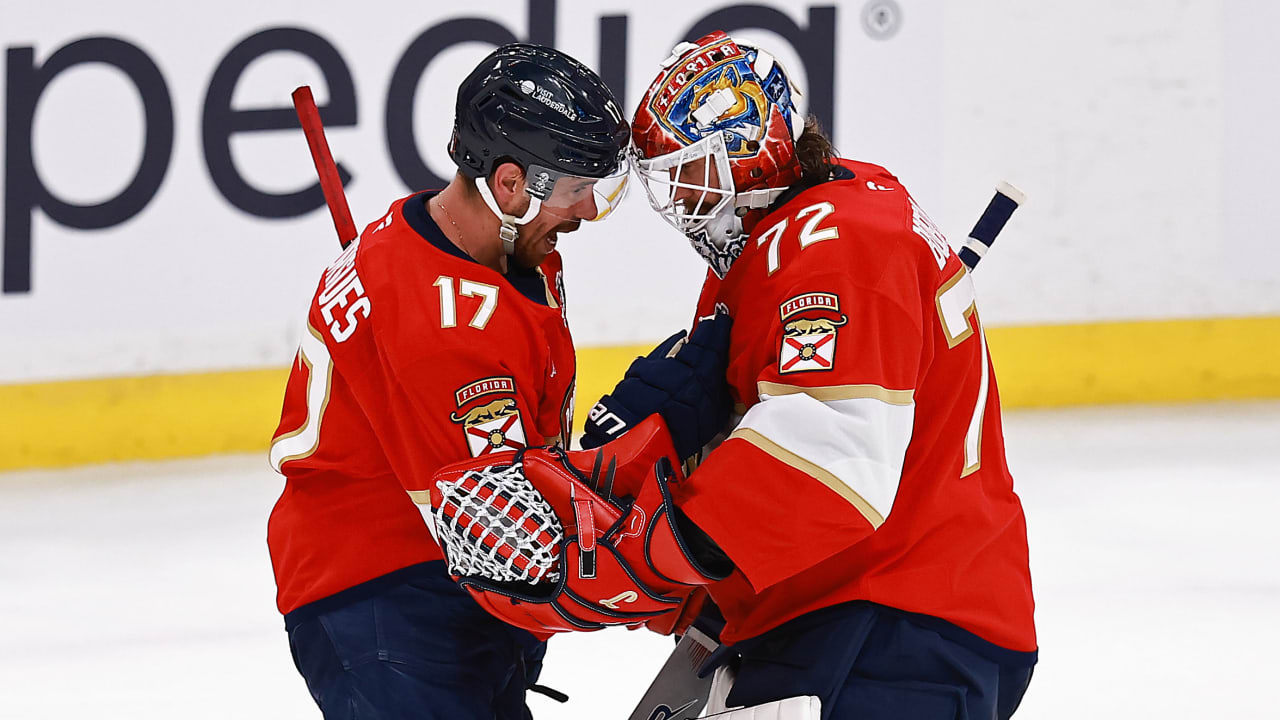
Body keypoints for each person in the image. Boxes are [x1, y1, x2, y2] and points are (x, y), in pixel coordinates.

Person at [601, 31, 1038, 718]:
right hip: (844, 608)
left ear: (748, 150)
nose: (681, 201)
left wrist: (650, 552)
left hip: (898, 621)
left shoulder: (838, 243)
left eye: (690, 173)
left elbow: (824, 458)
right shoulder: (811, 224)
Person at [264, 43, 705, 720]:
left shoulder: (484, 247)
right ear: (508, 184)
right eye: (576, 189)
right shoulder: (444, 327)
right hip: (384, 604)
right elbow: (512, 532)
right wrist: (663, 567)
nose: (587, 211)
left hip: (436, 587)